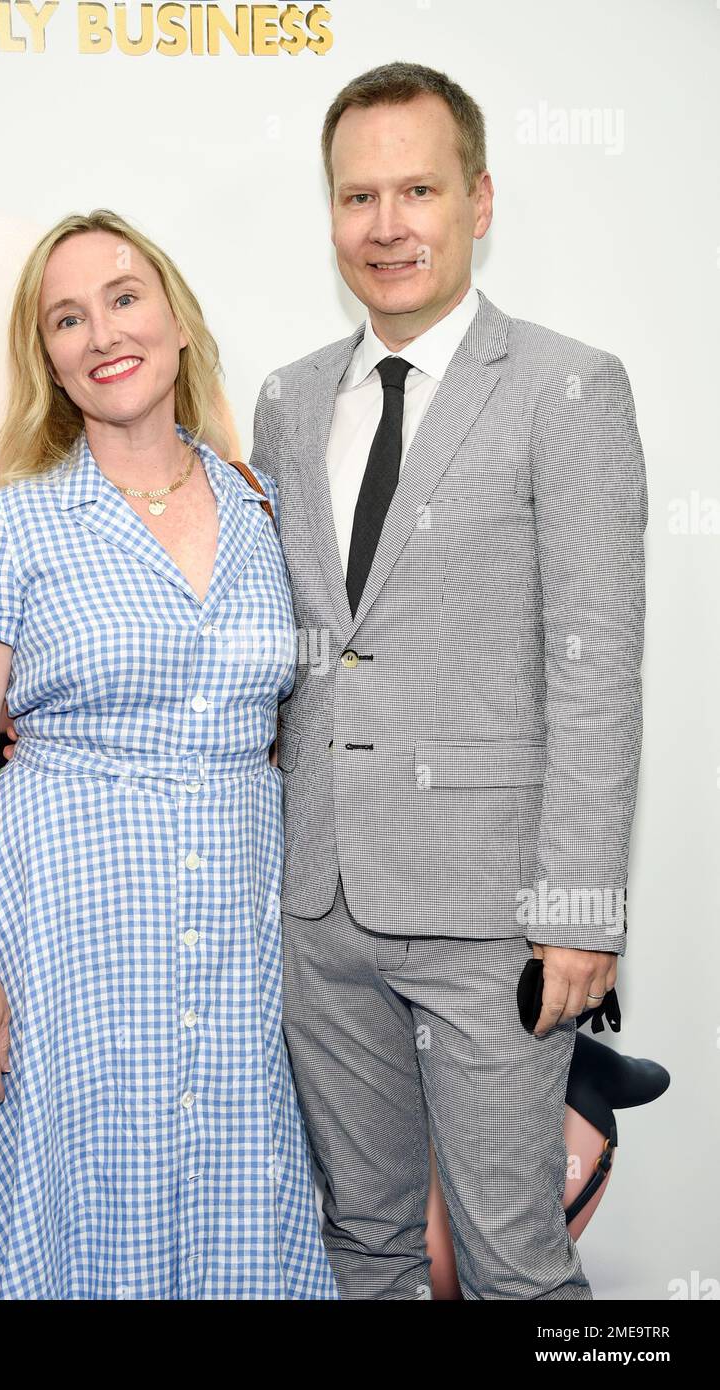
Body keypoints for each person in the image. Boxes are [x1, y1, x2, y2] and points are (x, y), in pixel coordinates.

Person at [0, 208, 338, 1300]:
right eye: (67, 319)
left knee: (235, 1187)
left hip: (237, 934)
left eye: (124, 299)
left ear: (178, 320)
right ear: (47, 359)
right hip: (62, 941)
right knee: (71, 1203)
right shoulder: (1, 528)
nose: (101, 334)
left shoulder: (269, 507)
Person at [248, 62, 648, 1300]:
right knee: (361, 1246)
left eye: (417, 188)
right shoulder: (285, 397)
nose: (387, 224)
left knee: (514, 1259)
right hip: (318, 904)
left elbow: (597, 657)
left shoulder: (567, 386)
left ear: (480, 199)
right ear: (328, 217)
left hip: (492, 918)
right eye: (359, 196)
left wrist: (579, 908)